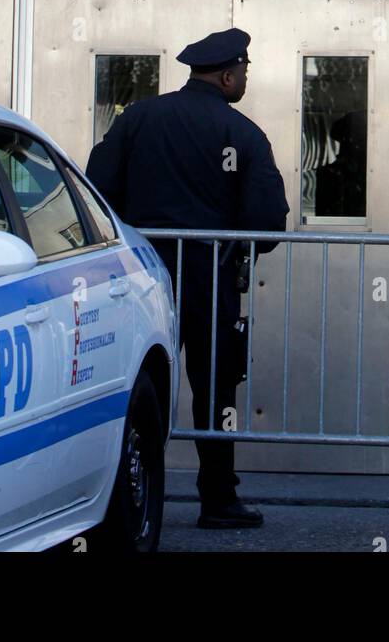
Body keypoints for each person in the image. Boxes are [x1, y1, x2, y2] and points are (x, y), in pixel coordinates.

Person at [85, 27, 289, 529]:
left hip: (139, 275)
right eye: (242, 71)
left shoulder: (137, 119)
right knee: (215, 387)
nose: (244, 78)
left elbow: (96, 188)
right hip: (209, 277)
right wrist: (238, 243)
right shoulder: (242, 134)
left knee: (133, 381)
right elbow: (268, 224)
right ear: (226, 75)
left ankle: (120, 494)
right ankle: (218, 498)